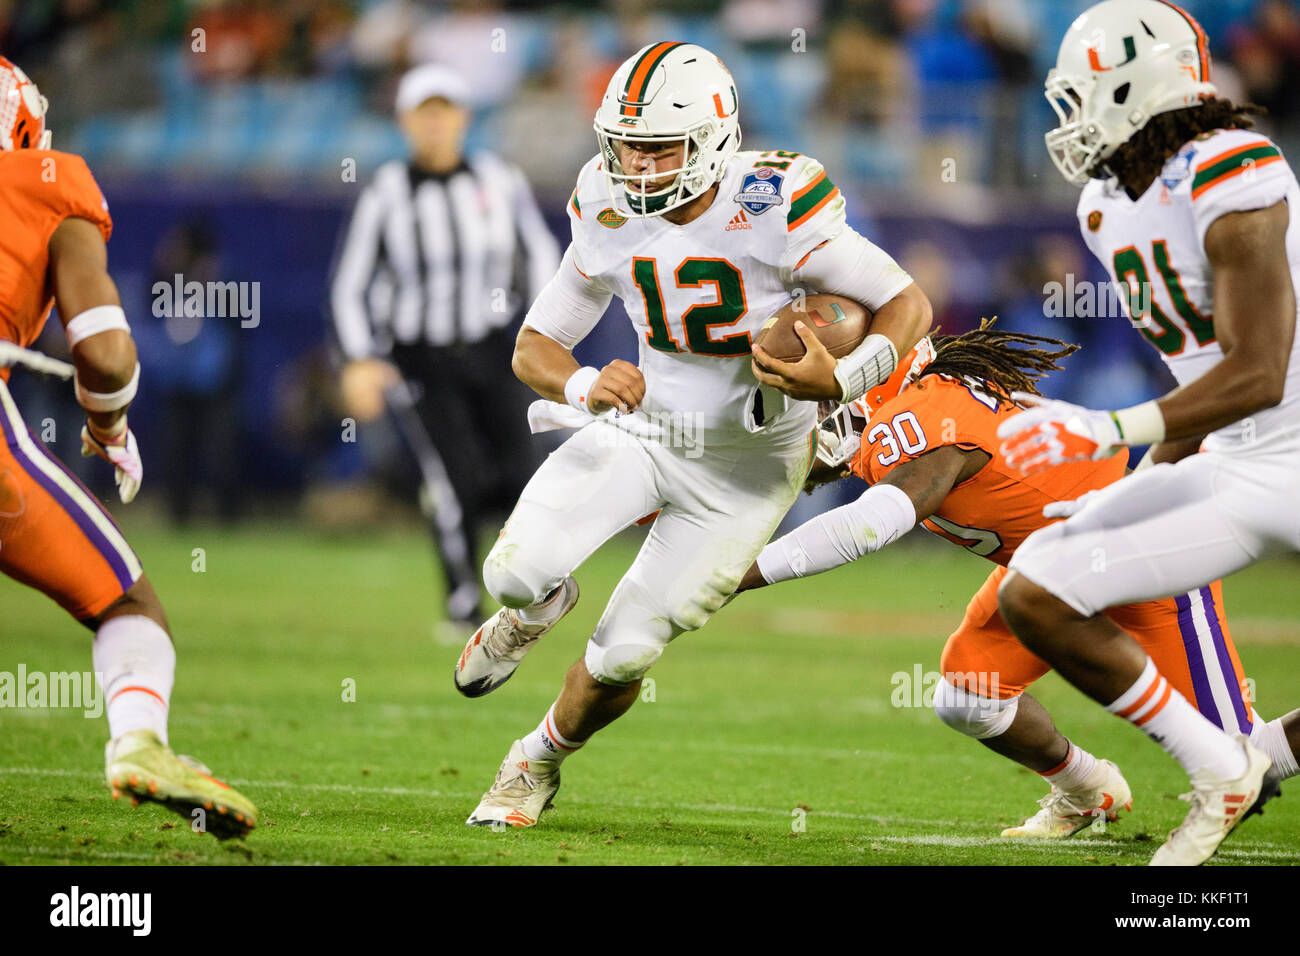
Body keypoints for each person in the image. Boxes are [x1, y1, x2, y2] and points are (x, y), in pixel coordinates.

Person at [454, 41, 932, 827]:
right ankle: (536, 607)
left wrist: (844, 380)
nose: (637, 167)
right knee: (510, 575)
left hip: (750, 470)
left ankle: (532, 762)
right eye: (626, 145)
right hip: (645, 430)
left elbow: (904, 303)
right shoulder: (603, 205)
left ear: (712, 139)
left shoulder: (776, 198)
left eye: (658, 148)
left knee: (626, 656)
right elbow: (534, 346)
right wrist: (583, 382)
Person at [735, 322, 1299, 836]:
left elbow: (869, 524)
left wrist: (739, 573)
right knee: (968, 699)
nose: (806, 418)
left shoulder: (927, 409)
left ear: (869, 382)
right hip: (1050, 574)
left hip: (1146, 560)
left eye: (809, 400)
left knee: (1244, 764)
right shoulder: (918, 408)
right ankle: (1086, 789)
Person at [994, 0, 1299, 865]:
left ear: (1140, 87)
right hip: (1241, 462)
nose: (1069, 120)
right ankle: (1222, 767)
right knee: (1038, 589)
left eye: (1083, 95)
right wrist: (1135, 476)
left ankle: (1267, 757)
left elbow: (1258, 371)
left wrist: (1104, 429)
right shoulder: (1105, 202)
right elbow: (1202, 379)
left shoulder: (1232, 170)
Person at [0, 57, 257, 837]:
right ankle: (138, 741)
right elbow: (107, 353)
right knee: (126, 600)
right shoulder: (46, 179)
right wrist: (108, 426)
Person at [330, 63, 560, 638]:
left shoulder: (498, 179)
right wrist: (361, 359)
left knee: (527, 471)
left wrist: (546, 334)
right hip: (421, 358)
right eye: (423, 111)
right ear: (406, 120)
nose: (435, 122)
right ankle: (464, 606)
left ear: (462, 117)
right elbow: (350, 284)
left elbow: (538, 258)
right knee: (452, 475)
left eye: (445, 110)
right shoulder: (386, 191)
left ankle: (536, 594)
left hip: (492, 346)